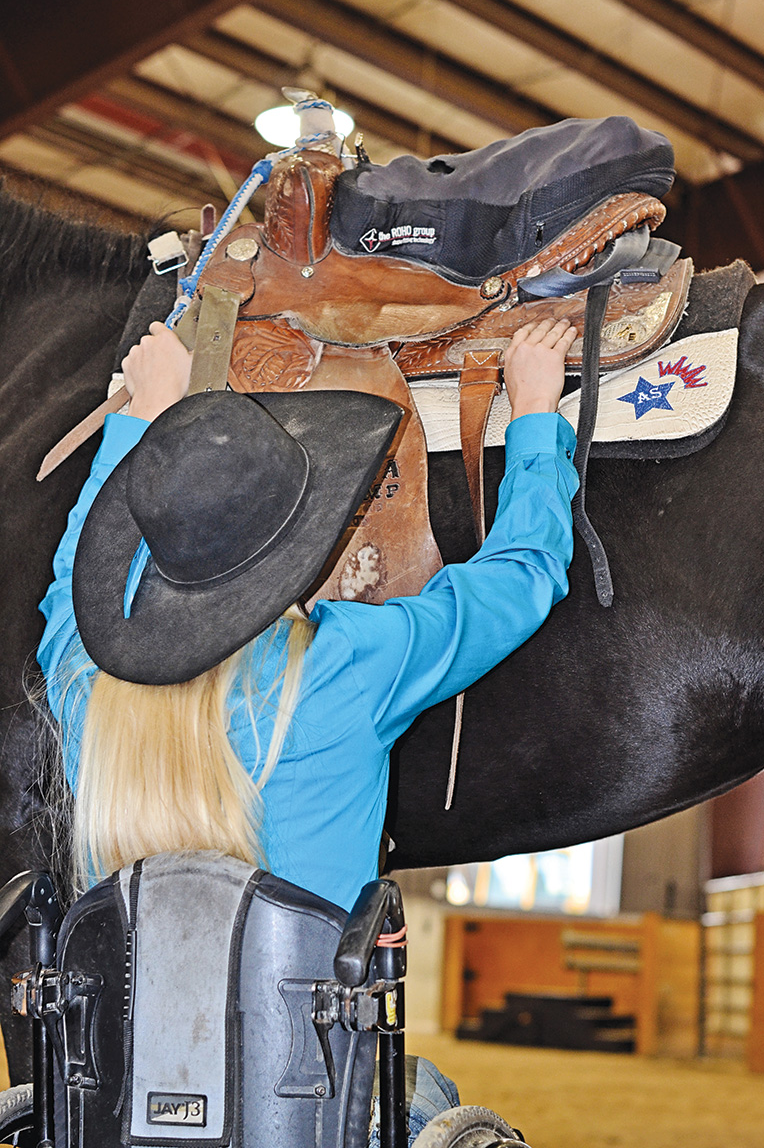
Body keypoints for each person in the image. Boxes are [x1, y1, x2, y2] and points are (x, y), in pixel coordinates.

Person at [37, 313, 578, 1141]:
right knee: (423, 1082)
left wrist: (136, 420)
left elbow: (69, 599)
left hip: (122, 1114)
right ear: (295, 544)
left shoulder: (88, 689)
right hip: (305, 1113)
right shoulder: (337, 668)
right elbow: (525, 577)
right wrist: (536, 412)